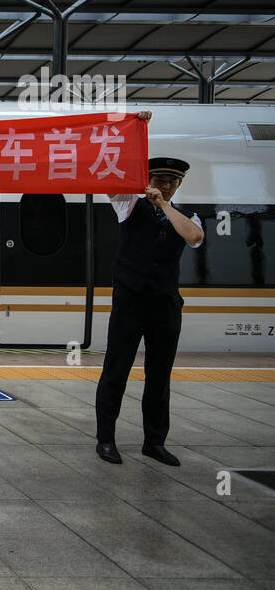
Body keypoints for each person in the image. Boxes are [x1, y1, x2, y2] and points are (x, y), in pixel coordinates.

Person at [95, 114, 204, 467]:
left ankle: (154, 442)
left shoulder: (186, 215)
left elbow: (195, 238)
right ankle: (106, 439)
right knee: (117, 368)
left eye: (172, 181)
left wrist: (164, 205)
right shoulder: (128, 203)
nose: (165, 184)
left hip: (165, 304)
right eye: (159, 178)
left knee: (160, 375)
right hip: (129, 301)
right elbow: (107, 179)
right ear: (147, 178)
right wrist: (130, 132)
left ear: (179, 185)